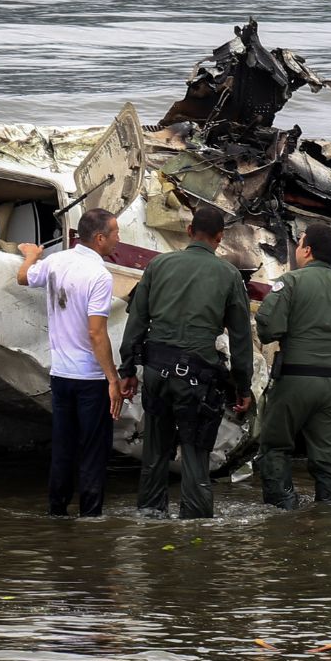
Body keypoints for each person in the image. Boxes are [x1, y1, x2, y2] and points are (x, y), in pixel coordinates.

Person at [117, 204, 253, 519]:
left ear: (189, 231)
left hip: (155, 373)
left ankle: (150, 522)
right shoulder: (230, 275)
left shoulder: (157, 266)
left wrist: (127, 369)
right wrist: (243, 387)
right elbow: (241, 338)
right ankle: (195, 533)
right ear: (220, 238)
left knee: (154, 453)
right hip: (198, 379)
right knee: (195, 455)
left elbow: (136, 323)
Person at [253, 223, 331, 508]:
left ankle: (282, 513)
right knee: (325, 457)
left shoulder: (292, 282)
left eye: (299, 244)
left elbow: (268, 327)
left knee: (275, 448)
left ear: (307, 250)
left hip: (297, 377)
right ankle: (330, 515)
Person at [18, 208, 123, 517]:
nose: (119, 239)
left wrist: (31, 254)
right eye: (115, 233)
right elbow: (96, 333)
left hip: (60, 375)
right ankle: (90, 518)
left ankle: (57, 512)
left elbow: (23, 277)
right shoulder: (100, 275)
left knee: (63, 448)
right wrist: (113, 379)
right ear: (100, 238)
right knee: (92, 452)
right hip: (90, 379)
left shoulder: (56, 261)